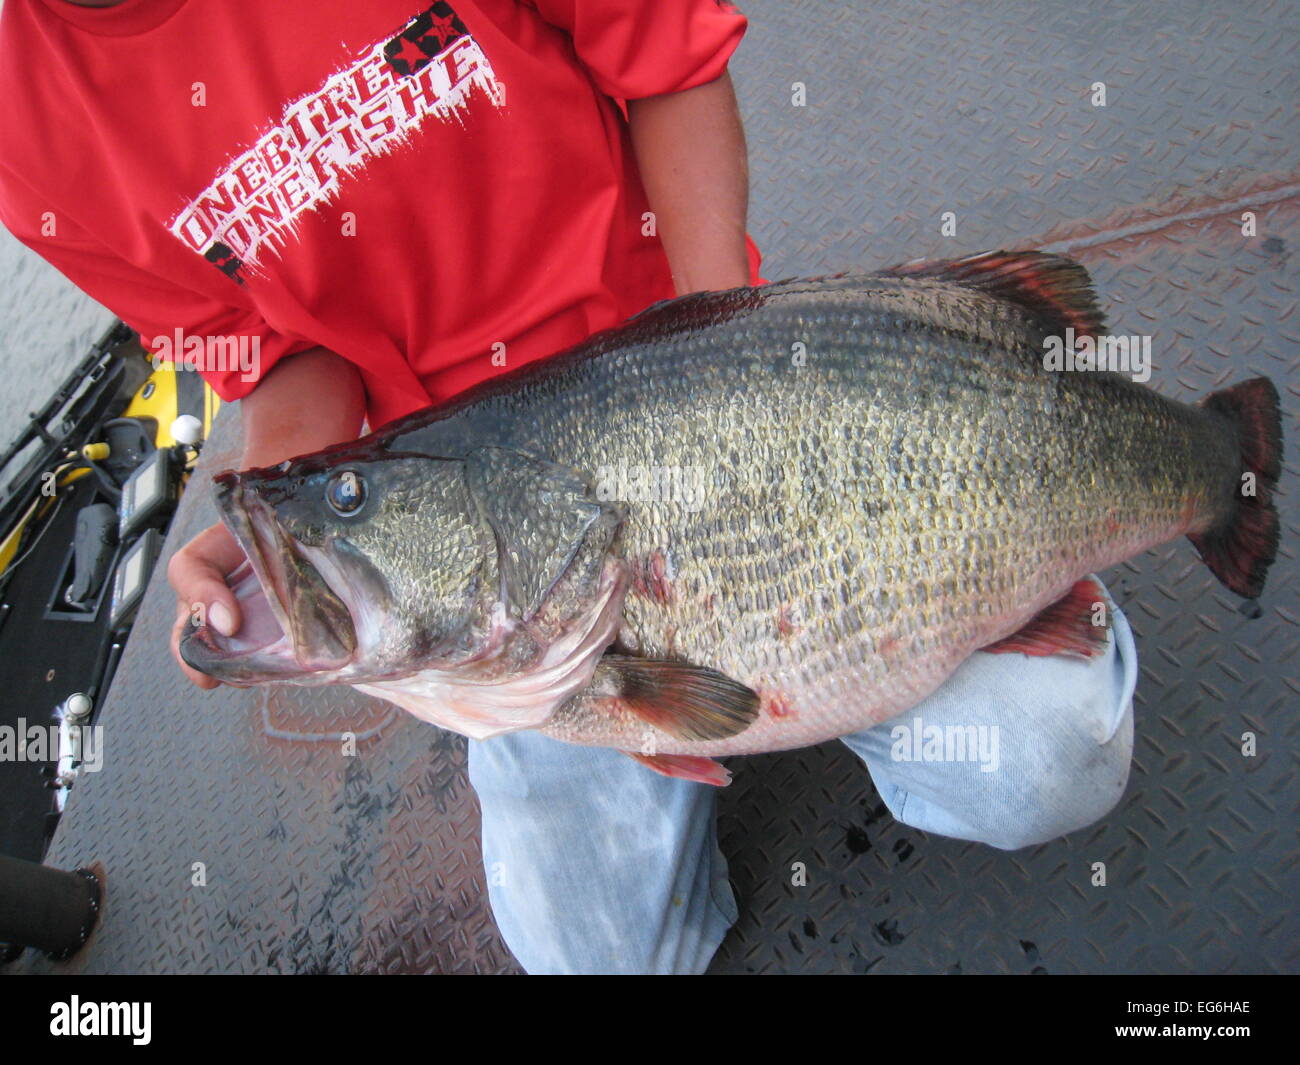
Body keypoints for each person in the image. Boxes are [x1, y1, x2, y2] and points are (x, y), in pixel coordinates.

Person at [0, 0, 1137, 974]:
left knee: (1042, 764)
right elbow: (278, 350)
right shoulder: (20, 111)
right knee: (590, 954)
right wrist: (275, 514)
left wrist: (724, 347)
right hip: (485, 541)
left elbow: (663, 56)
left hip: (680, 379)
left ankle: (1024, 542)